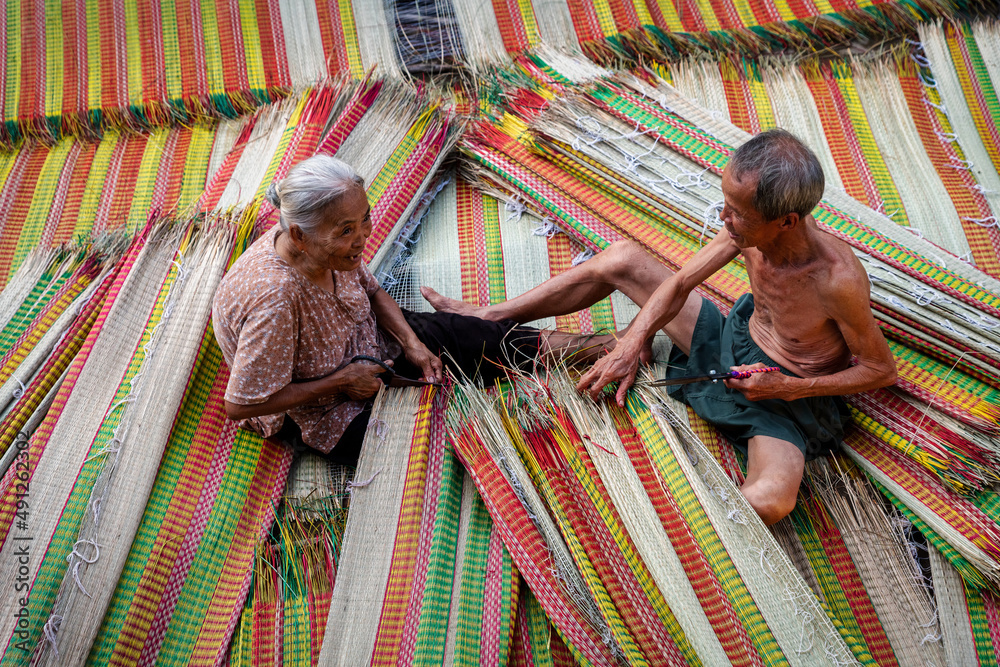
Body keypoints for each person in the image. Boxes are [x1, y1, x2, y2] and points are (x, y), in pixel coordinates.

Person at [421, 129, 898, 525]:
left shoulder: (836, 280)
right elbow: (680, 282)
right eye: (725, 205)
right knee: (624, 258)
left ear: (786, 221)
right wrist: (634, 341)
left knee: (770, 501)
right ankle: (495, 316)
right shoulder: (745, 230)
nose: (723, 219)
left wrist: (790, 389)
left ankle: (678, 535)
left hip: (786, 399)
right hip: (733, 340)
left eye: (737, 214)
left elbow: (880, 370)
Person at [212, 154, 609, 465]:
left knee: (473, 335)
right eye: (347, 230)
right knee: (429, 446)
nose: (363, 237)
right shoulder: (275, 299)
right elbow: (241, 404)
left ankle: (602, 347)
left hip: (370, 343)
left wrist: (411, 342)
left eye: (364, 219)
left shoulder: (322, 243)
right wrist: (342, 382)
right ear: (299, 235)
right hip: (324, 408)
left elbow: (373, 292)